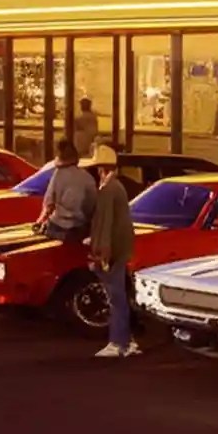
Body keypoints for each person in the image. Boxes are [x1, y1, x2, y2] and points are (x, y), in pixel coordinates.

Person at [88, 144, 139, 358]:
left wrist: (101, 251)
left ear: (102, 169)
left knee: (115, 297)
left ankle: (118, 342)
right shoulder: (118, 187)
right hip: (121, 249)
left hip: (113, 252)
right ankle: (128, 342)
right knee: (119, 297)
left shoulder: (108, 190)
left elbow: (105, 222)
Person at [34, 138, 97, 242]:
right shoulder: (87, 178)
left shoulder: (57, 175)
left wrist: (40, 221)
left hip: (56, 226)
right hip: (78, 229)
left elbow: (48, 203)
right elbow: (91, 206)